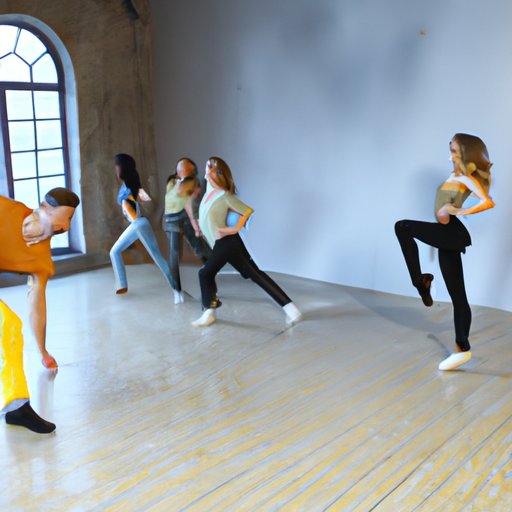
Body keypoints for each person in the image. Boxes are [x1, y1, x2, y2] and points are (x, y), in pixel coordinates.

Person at [395, 133, 494, 371]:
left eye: (454, 152)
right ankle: (462, 349)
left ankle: (421, 283)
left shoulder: (466, 178)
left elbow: (487, 201)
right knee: (458, 296)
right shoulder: (455, 175)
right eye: (450, 150)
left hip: (452, 233)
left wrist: (460, 212)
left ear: (465, 154)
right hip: (446, 235)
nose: (450, 156)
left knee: (403, 226)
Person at [0, 186, 80, 433]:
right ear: (45, 209)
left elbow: (36, 303)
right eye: (66, 217)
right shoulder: (9, 210)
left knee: (8, 326)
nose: (66, 226)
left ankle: (16, 407)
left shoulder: (40, 254)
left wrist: (42, 350)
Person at [192, 157, 303, 327]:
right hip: (224, 244)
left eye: (212, 165)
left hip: (227, 243)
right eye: (208, 163)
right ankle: (291, 308)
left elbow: (247, 211)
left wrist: (231, 229)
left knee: (205, 273)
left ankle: (209, 312)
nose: (208, 165)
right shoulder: (208, 194)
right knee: (253, 274)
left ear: (218, 172)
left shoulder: (224, 196)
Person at [110, 153, 179, 301]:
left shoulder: (132, 188)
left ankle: (176, 288)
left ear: (123, 167)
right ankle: (121, 285)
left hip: (138, 224)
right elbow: (146, 202)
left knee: (157, 257)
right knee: (115, 251)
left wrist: (134, 204)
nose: (115, 169)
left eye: (117, 166)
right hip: (138, 224)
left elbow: (148, 204)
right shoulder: (130, 186)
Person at [162, 157, 212, 304]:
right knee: (174, 254)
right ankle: (177, 290)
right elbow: (176, 198)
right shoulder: (172, 181)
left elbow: (191, 205)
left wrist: (197, 227)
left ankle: (210, 281)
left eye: (191, 170)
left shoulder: (193, 182)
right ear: (179, 170)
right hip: (171, 219)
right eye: (185, 169)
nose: (189, 172)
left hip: (186, 216)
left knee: (201, 249)